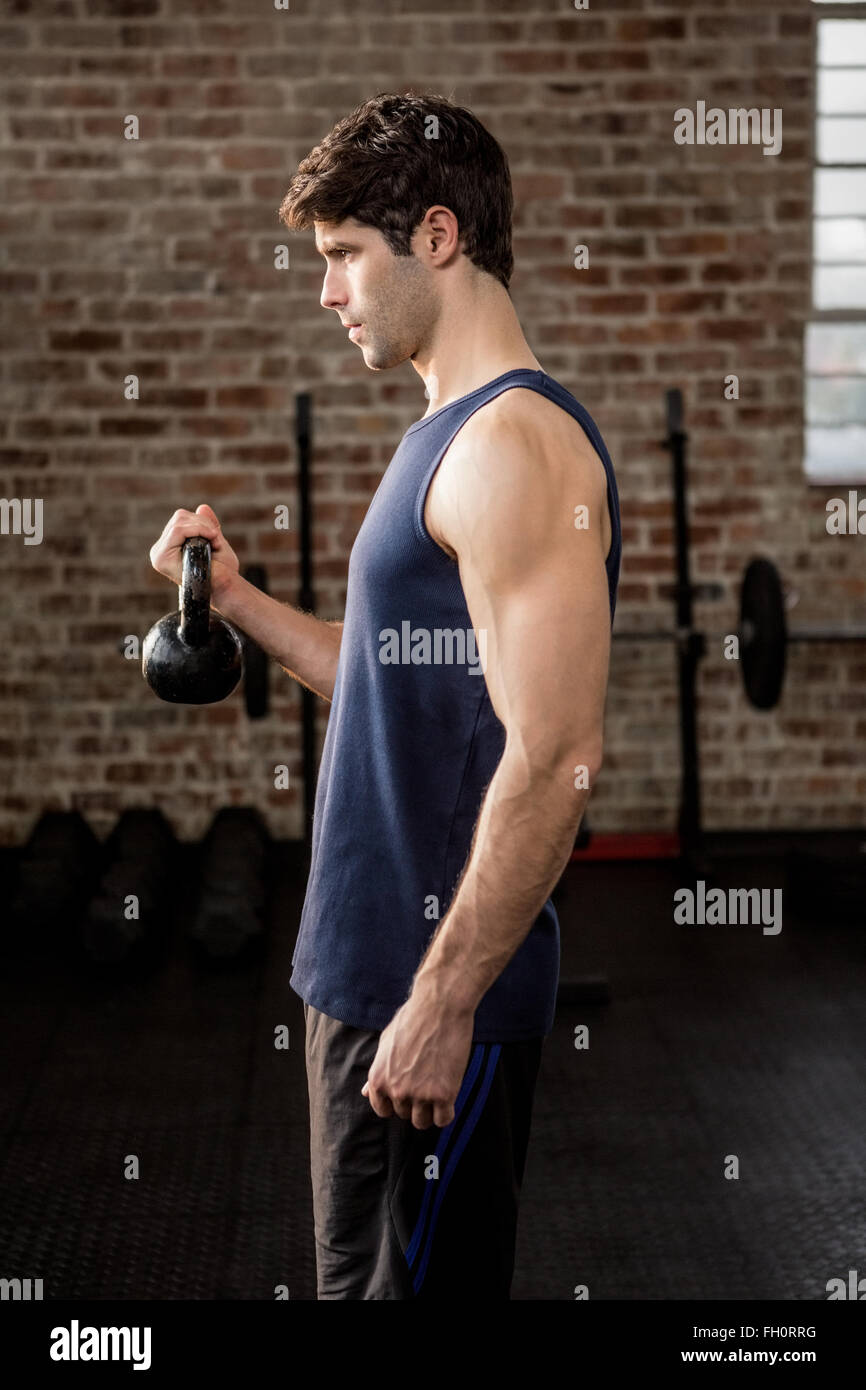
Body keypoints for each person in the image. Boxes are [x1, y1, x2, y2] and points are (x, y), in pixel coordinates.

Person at [150, 91, 621, 1300]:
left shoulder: (513, 448)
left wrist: (443, 998)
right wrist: (243, 604)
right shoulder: (445, 433)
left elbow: (557, 749)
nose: (327, 292)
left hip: (423, 1004)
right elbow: (389, 667)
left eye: (345, 256)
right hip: (366, 982)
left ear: (438, 237)